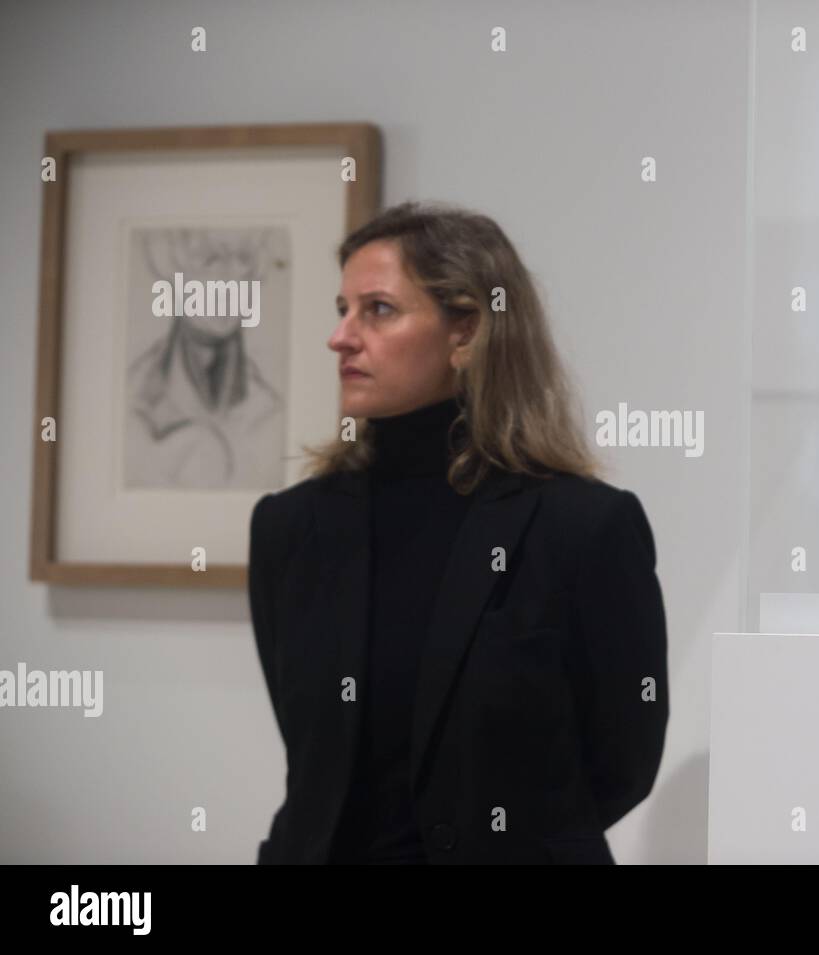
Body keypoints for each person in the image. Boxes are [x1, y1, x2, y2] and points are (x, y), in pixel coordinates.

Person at [247, 201, 669, 864]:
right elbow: (315, 762)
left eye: (378, 309)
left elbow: (624, 761)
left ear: (466, 329)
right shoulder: (289, 528)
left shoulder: (583, 527)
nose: (341, 337)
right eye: (342, 308)